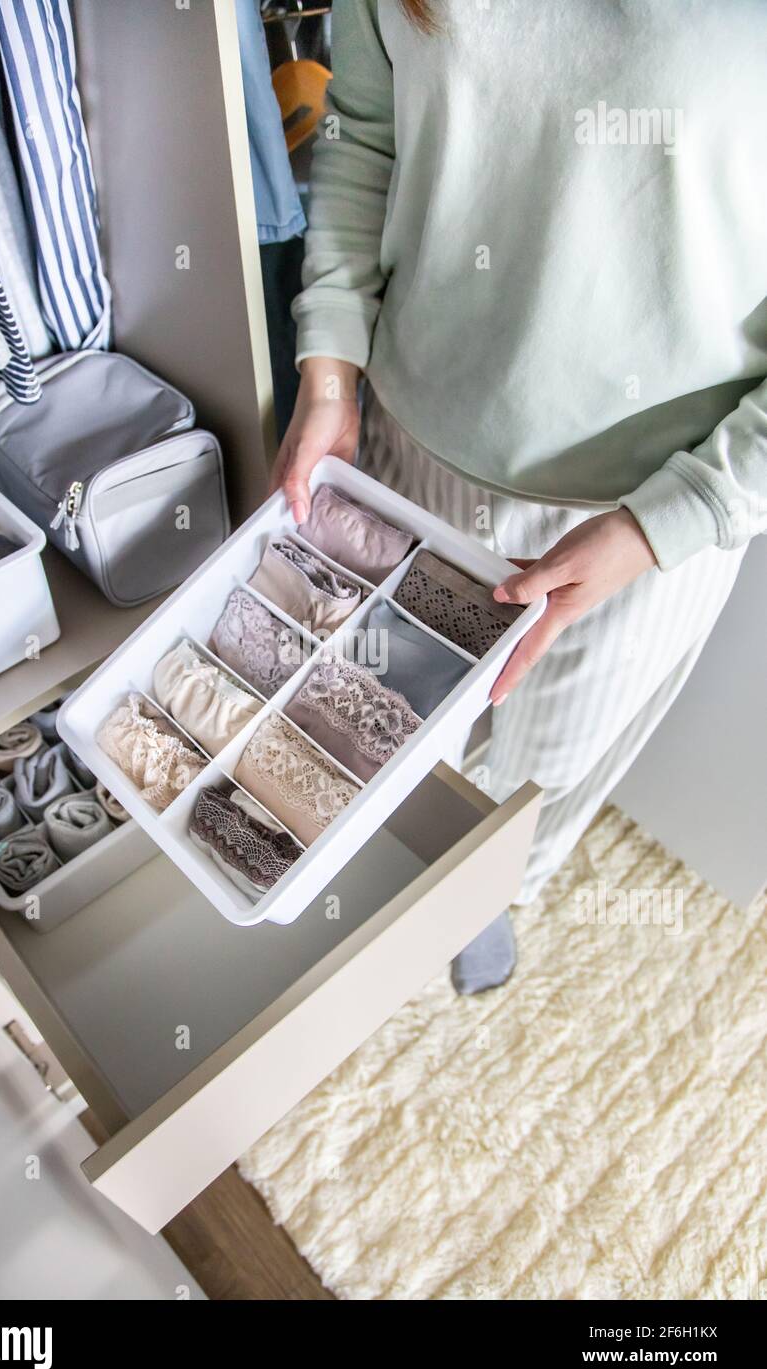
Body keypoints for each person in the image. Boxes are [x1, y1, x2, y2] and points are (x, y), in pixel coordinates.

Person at [271, 0, 767, 993]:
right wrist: (329, 364)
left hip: (640, 513)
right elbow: (368, 133)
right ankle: (395, 888)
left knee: (540, 768)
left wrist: (657, 524)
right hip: (411, 445)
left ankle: (491, 892)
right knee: (377, 721)